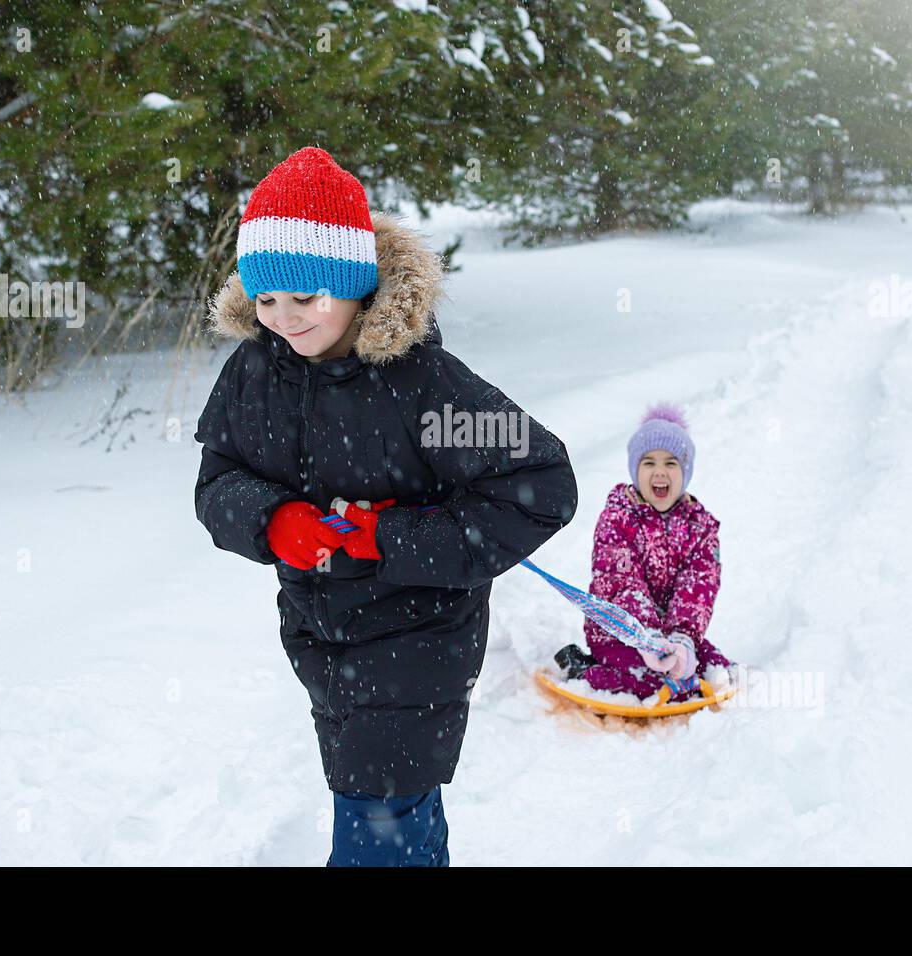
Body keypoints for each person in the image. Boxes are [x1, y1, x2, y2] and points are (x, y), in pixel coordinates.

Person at [193, 147, 577, 865]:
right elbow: (217, 481)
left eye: (307, 298)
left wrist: (389, 538)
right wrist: (273, 519)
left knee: (379, 821)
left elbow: (543, 486)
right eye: (267, 298)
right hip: (319, 636)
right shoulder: (255, 371)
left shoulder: (422, 385)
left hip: (418, 640)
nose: (284, 319)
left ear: (354, 283)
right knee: (388, 810)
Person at [555, 404, 734, 701]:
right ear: (635, 469)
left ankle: (694, 664)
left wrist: (683, 638)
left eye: (671, 463)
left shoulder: (700, 526)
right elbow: (620, 581)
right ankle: (581, 671)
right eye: (649, 462)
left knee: (714, 666)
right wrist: (646, 636)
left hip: (669, 631)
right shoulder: (618, 518)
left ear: (685, 471)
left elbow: (698, 584)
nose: (660, 472)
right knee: (648, 681)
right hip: (617, 631)